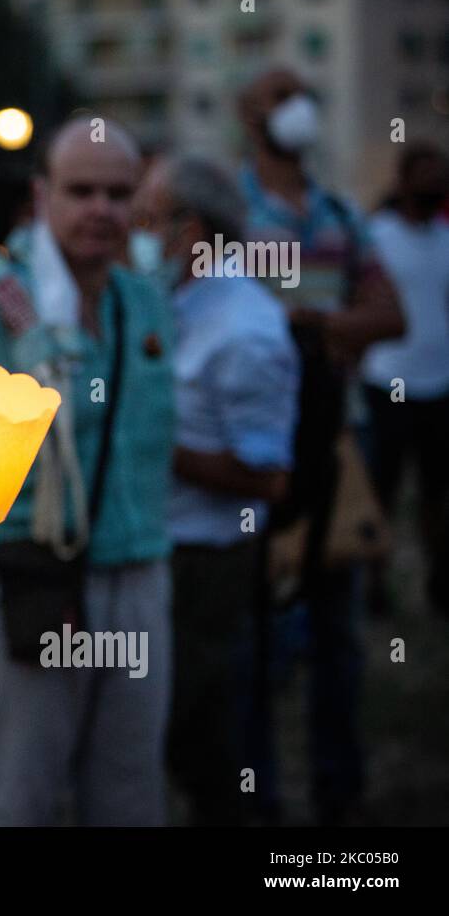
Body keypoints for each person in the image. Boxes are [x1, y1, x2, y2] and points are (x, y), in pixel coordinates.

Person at [0, 117, 176, 826]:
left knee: (130, 790)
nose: (102, 207)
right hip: (33, 581)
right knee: (19, 793)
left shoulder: (146, 301)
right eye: (82, 190)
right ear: (42, 196)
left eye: (118, 193)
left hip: (140, 576)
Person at [236, 66, 404, 825]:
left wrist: (311, 326)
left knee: (338, 628)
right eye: (280, 96)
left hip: (337, 439)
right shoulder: (232, 212)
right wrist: (326, 324)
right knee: (260, 633)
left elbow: (390, 312)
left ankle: (340, 790)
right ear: (250, 115)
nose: (297, 106)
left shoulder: (338, 210)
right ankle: (255, 793)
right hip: (260, 448)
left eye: (305, 91)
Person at [133, 155, 299, 824]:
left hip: (209, 561)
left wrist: (150, 445)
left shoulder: (245, 330)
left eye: (143, 218)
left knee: (206, 733)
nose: (130, 232)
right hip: (160, 547)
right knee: (173, 728)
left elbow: (267, 475)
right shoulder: (167, 299)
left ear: (189, 232)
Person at [360, 142, 449, 617]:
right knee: (383, 492)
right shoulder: (378, 236)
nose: (436, 183)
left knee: (437, 492)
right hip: (388, 382)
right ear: (405, 180)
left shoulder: (446, 238)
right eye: (427, 174)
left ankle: (439, 582)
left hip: (441, 385)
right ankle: (376, 585)